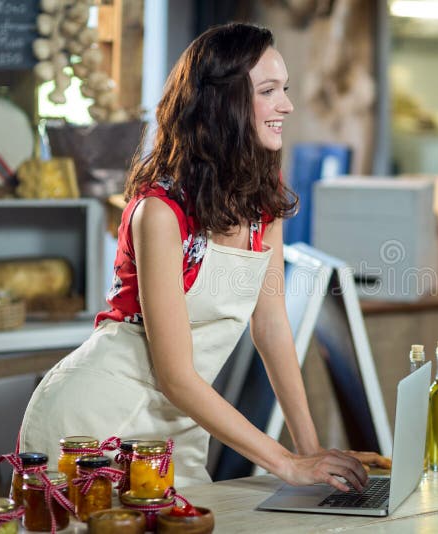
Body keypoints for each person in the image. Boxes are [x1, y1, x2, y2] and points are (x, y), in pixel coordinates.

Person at [20, 22, 385, 492]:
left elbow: (271, 326)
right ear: (224, 103)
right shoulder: (160, 212)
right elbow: (174, 375)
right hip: (93, 424)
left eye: (285, 89)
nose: (287, 106)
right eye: (269, 90)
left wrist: (309, 451)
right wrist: (287, 465)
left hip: (179, 428)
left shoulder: (262, 200)